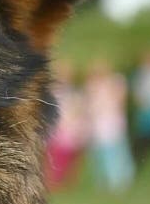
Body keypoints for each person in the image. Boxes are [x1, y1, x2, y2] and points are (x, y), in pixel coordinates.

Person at [85, 59, 135, 192]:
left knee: (115, 152)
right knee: (100, 155)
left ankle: (119, 180)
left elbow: (120, 99)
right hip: (98, 125)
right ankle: (104, 181)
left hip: (112, 123)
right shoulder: (92, 87)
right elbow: (91, 107)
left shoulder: (116, 82)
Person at [45, 60, 88, 190]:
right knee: (56, 155)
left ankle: (64, 181)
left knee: (68, 155)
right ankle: (55, 181)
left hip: (70, 128)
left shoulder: (74, 93)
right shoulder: (52, 92)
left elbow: (79, 110)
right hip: (57, 128)